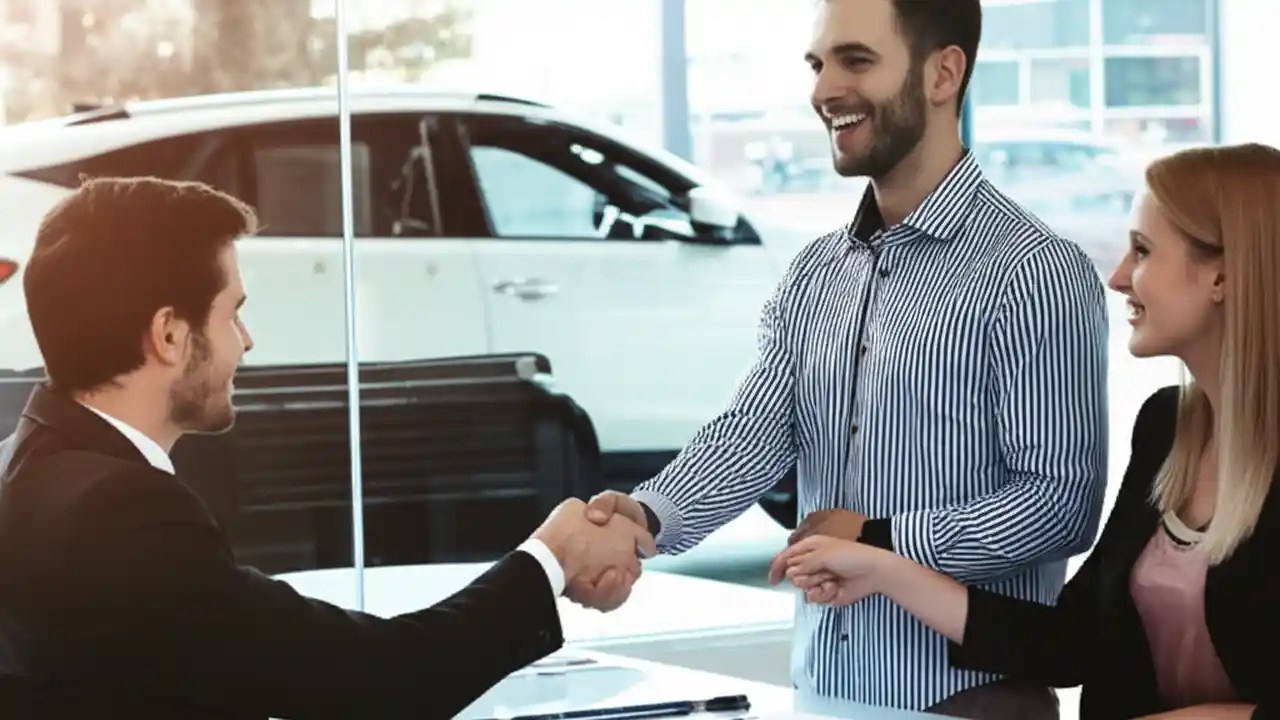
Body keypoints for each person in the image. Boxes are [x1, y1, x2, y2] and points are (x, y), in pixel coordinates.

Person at [583, 0, 1109, 714]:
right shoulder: (814, 272)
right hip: (824, 690)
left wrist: (878, 540)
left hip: (966, 698)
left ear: (943, 74)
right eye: (818, 64)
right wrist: (647, 517)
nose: (824, 89)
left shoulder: (1034, 271)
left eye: (856, 60)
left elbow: (1058, 504)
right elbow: (750, 436)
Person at [0, 177, 655, 719]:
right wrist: (552, 557)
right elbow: (382, 680)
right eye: (232, 313)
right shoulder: (121, 513)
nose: (246, 341)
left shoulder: (25, 466)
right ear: (170, 335)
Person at [775, 143, 1280, 720]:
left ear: (1222, 275)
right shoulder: (1168, 427)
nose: (1118, 277)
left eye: (1142, 251)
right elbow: (1076, 639)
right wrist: (883, 568)